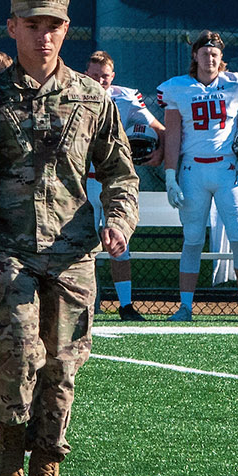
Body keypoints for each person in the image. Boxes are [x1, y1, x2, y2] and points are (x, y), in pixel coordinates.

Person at [0, 0, 136, 476]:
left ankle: (45, 470)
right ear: (12, 28)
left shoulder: (93, 99)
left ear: (66, 31)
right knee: (21, 353)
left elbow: (120, 173)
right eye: (32, 25)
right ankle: (9, 444)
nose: (43, 35)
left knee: (63, 366)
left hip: (72, 251)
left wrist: (118, 221)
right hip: (7, 250)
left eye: (53, 26)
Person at [158, 32, 238, 324]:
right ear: (195, 56)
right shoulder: (179, 88)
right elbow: (173, 135)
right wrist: (169, 177)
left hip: (227, 169)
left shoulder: (236, 84)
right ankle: (185, 307)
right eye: (205, 53)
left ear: (220, 57)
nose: (210, 58)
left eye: (214, 54)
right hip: (192, 171)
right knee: (191, 240)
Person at [84, 51, 164, 321]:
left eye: (104, 76)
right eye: (95, 75)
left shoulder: (126, 98)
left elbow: (160, 129)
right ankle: (86, 304)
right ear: (86, 74)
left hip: (112, 182)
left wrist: (160, 153)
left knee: (119, 244)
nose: (100, 81)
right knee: (83, 246)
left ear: (112, 77)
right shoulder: (75, 93)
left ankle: (126, 304)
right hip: (82, 182)